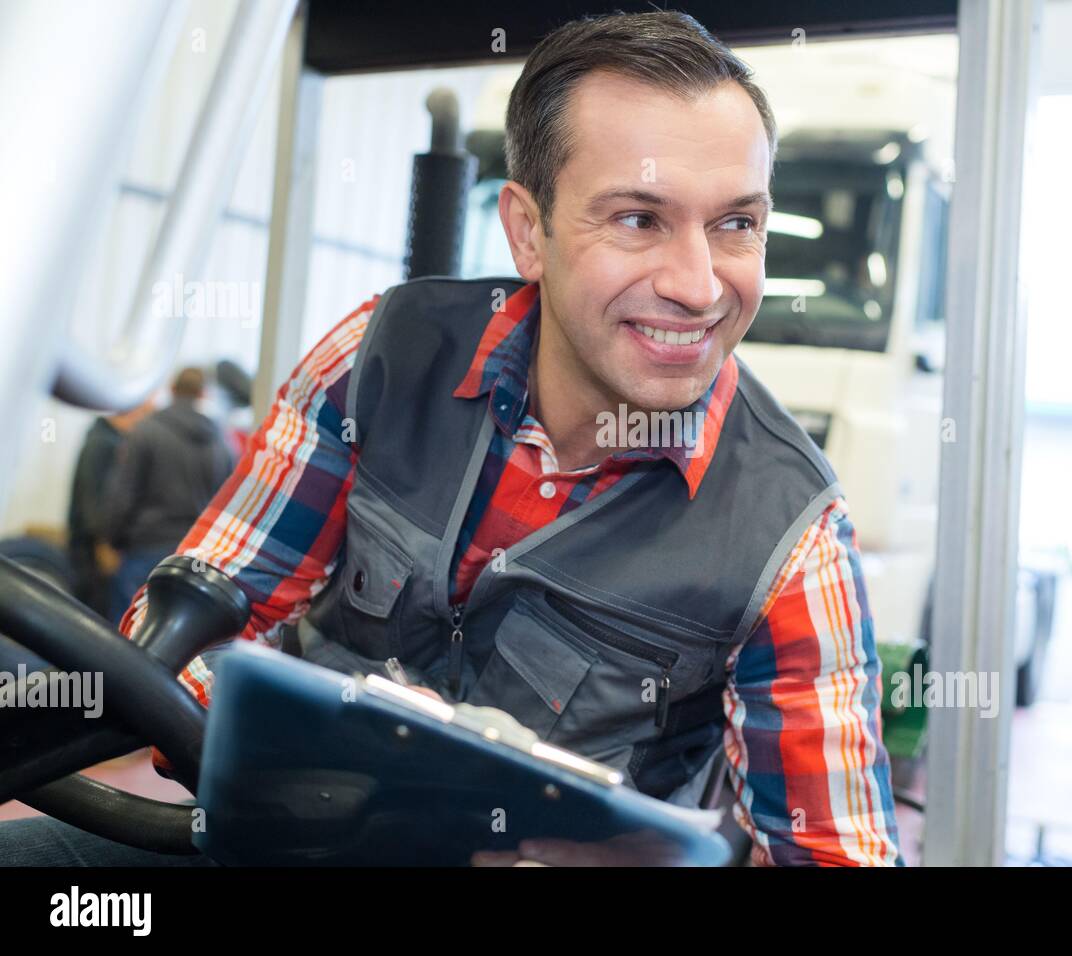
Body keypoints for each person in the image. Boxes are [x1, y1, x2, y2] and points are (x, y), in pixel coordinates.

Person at [2, 10, 901, 867]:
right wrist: (261, 743)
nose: (701, 286)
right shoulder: (382, 356)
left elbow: (832, 852)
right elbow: (202, 617)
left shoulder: (790, 535)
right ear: (527, 230)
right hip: (278, 839)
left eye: (736, 223)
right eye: (639, 219)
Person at [101, 367, 234, 625]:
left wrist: (112, 540)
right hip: (194, 557)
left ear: (172, 390)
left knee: (125, 638)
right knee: (174, 641)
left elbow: (123, 495)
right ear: (203, 394)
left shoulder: (145, 431)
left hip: (144, 550)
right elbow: (228, 504)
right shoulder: (222, 442)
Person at [66, 400, 155, 617]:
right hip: (92, 550)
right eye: (145, 413)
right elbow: (94, 502)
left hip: (99, 546)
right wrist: (104, 542)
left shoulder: (112, 441)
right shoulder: (102, 443)